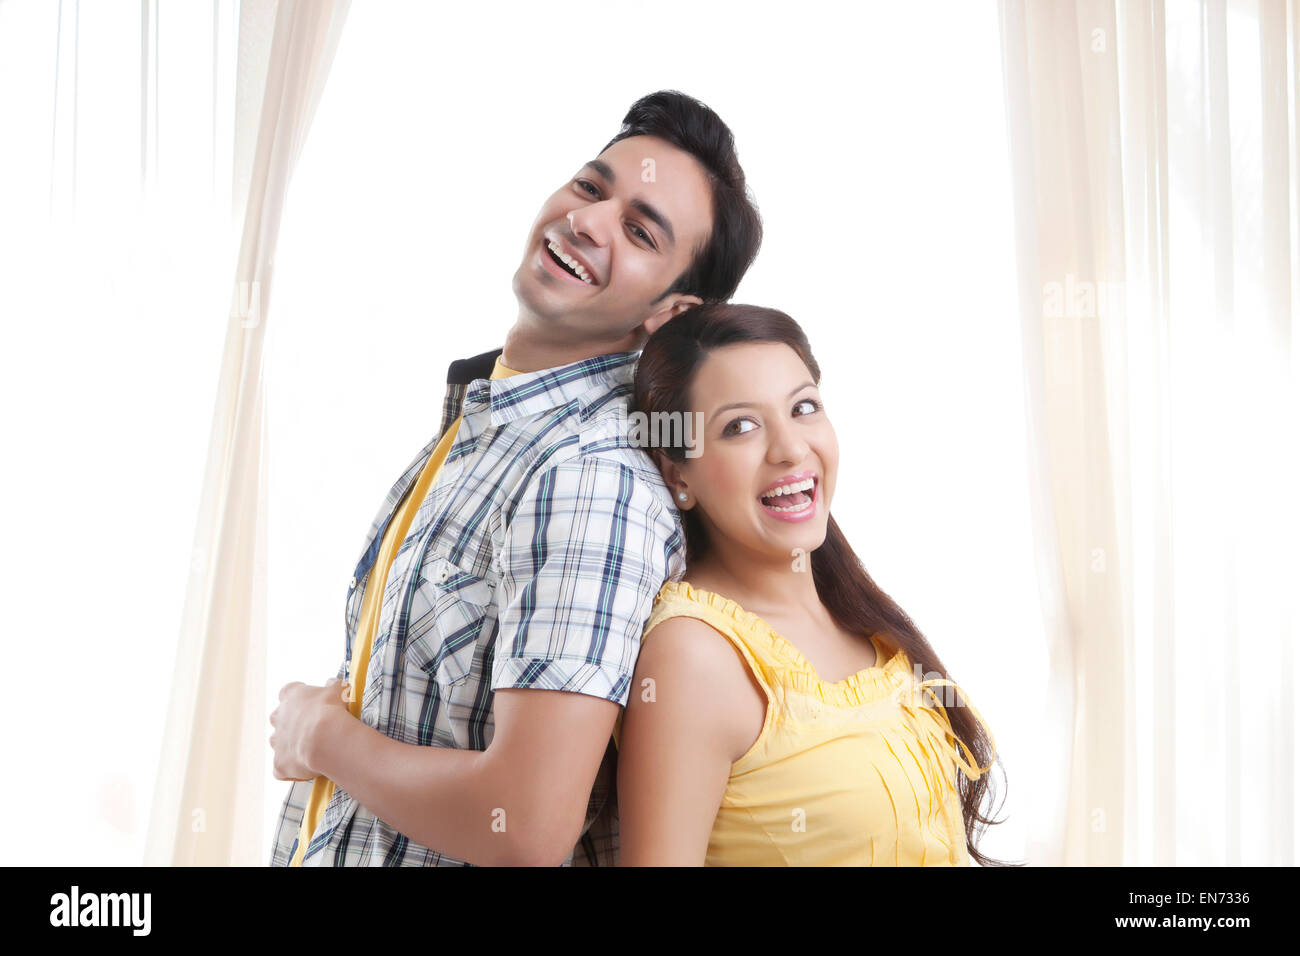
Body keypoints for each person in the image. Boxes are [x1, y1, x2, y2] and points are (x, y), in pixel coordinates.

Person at [266, 90, 762, 866]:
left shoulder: (593, 476)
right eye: (590, 187)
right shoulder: (488, 424)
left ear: (670, 313)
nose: (589, 222)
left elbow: (525, 821)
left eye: (638, 231)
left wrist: (321, 736)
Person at [615, 303, 1015, 866]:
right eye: (740, 426)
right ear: (679, 474)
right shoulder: (693, 657)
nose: (791, 448)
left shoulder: (854, 613)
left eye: (804, 408)